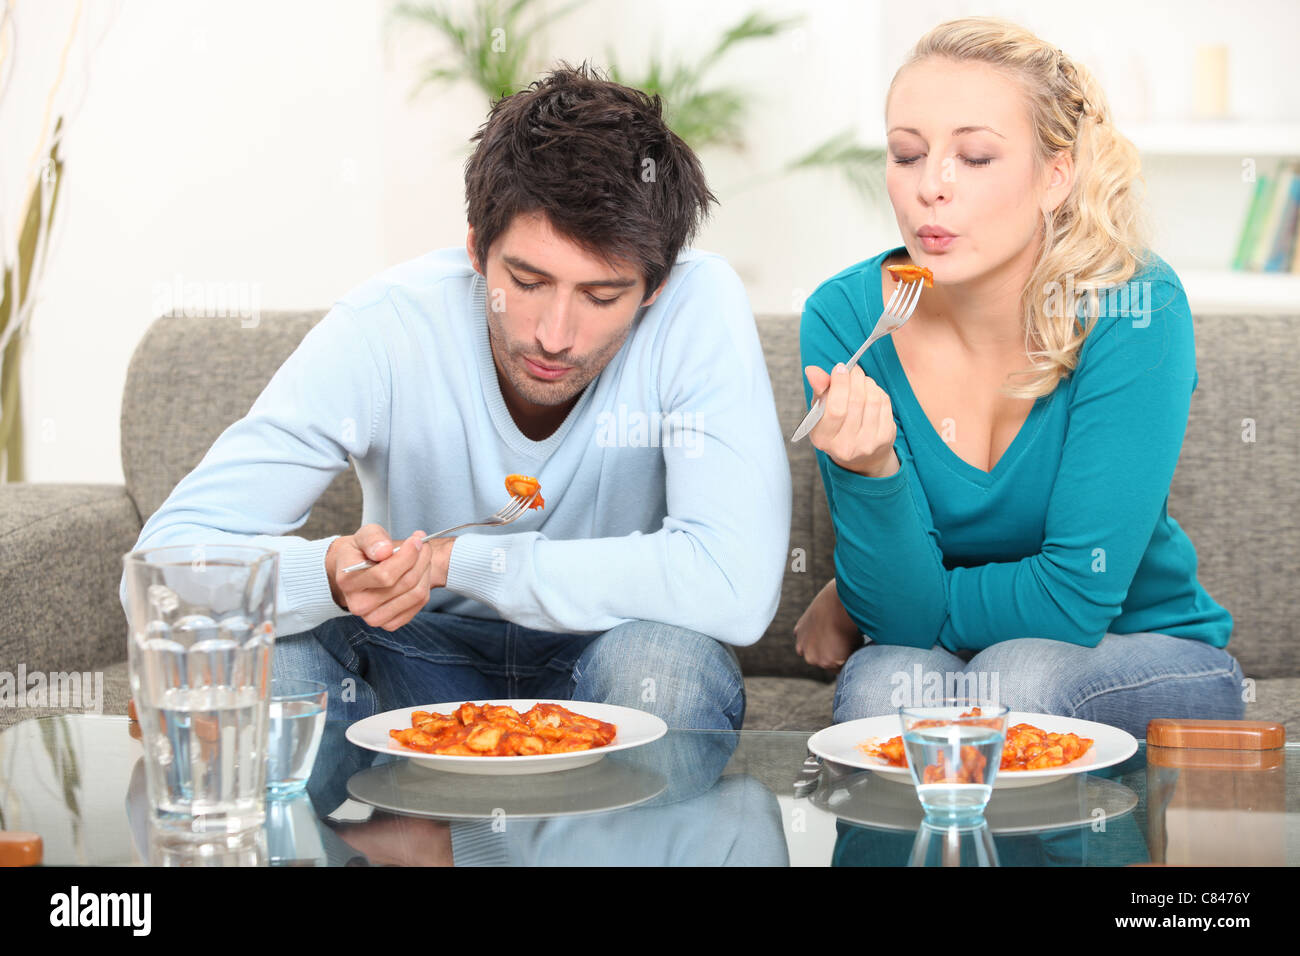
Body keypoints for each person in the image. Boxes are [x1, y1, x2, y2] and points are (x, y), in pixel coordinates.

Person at [118, 63, 791, 744]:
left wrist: (460, 563)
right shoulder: (386, 327)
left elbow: (733, 586)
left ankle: (476, 844)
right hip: (406, 661)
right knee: (271, 666)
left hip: (609, 658)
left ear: (654, 287)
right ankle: (363, 846)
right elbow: (159, 578)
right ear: (476, 249)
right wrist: (326, 576)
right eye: (526, 281)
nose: (554, 337)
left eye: (601, 296)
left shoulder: (696, 309)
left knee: (668, 667)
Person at [793, 17, 1244, 738]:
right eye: (907, 154)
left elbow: (1072, 599)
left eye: (973, 157)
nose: (930, 188)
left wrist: (865, 596)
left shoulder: (1134, 307)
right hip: (955, 655)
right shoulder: (847, 317)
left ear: (1055, 175)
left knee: (1014, 678)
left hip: (1147, 653)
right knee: (883, 684)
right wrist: (871, 468)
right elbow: (901, 631)